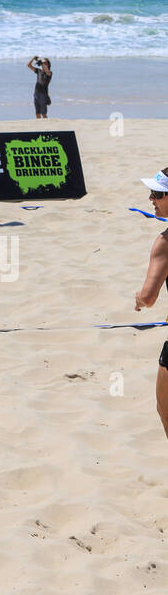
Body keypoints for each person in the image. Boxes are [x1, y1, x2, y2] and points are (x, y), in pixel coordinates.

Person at [133, 166, 168, 439]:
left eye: (157, 193)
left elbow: (148, 297)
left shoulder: (165, 243)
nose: (151, 199)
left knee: (164, 407)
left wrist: (139, 300)